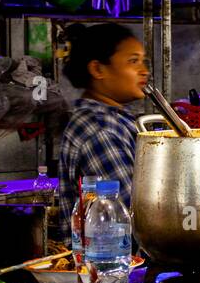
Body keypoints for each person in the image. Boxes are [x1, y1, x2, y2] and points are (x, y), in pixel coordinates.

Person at [57, 23, 148, 236]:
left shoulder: (112, 119)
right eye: (133, 61)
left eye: (143, 61)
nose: (144, 71)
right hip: (113, 263)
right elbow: (136, 220)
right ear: (98, 69)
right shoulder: (101, 130)